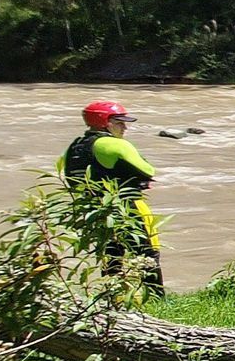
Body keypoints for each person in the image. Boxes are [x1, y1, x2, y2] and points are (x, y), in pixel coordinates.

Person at [59, 98, 164, 293]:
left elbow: (70, 177)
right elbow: (148, 170)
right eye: (119, 122)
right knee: (148, 252)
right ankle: (158, 299)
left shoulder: (74, 146)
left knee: (111, 254)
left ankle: (112, 297)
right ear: (104, 123)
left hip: (95, 209)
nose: (125, 127)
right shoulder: (115, 145)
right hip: (127, 206)